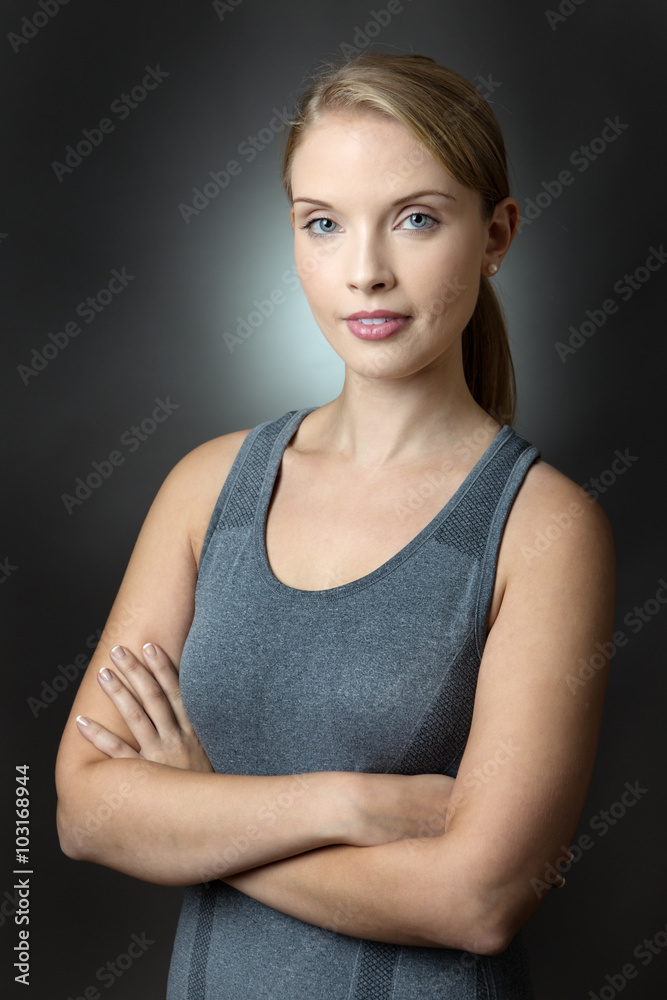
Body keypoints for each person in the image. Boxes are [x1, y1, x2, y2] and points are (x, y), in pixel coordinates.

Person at [55, 52, 615, 998]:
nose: (365, 272)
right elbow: (79, 813)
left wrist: (198, 819)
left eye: (417, 219)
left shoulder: (543, 528)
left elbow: (479, 900)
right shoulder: (206, 488)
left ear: (496, 234)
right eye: (323, 224)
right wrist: (351, 806)